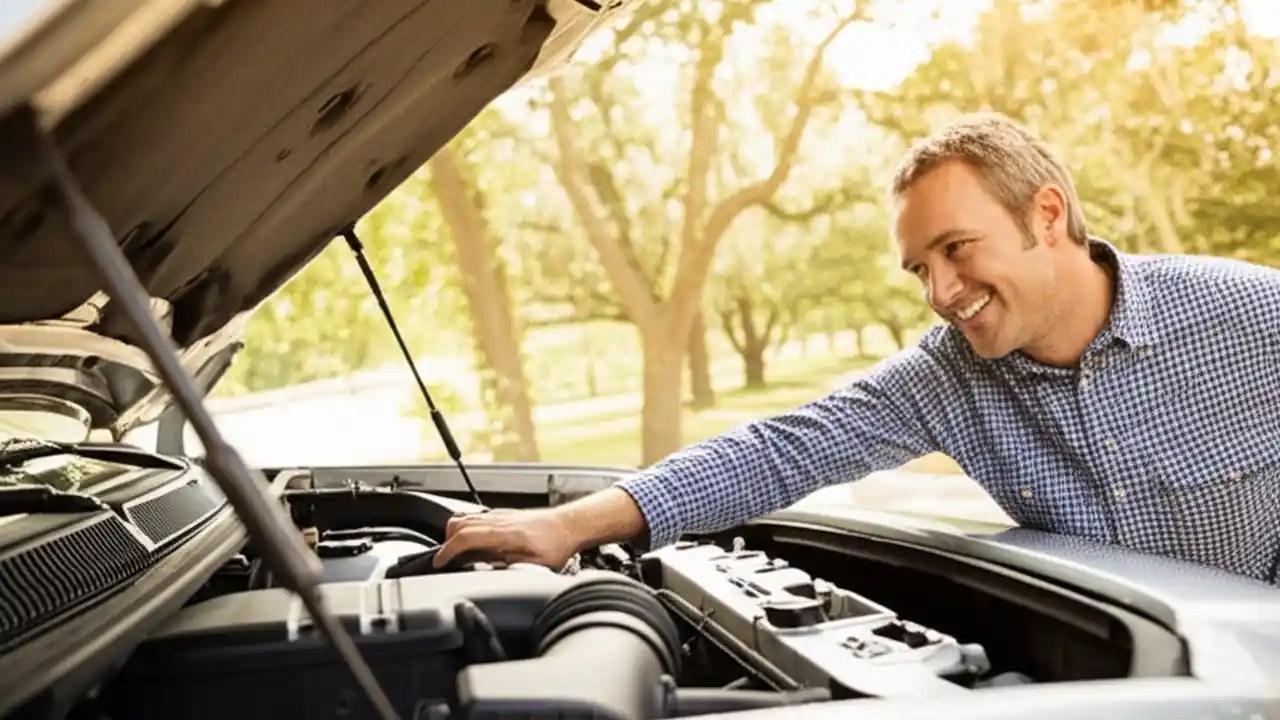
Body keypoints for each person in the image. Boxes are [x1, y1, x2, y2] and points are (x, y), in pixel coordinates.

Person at [434, 112, 1280, 583]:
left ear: (1047, 216)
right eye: (920, 268)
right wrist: (569, 526)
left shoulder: (1246, 315)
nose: (941, 294)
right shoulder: (950, 378)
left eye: (958, 249)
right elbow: (776, 452)